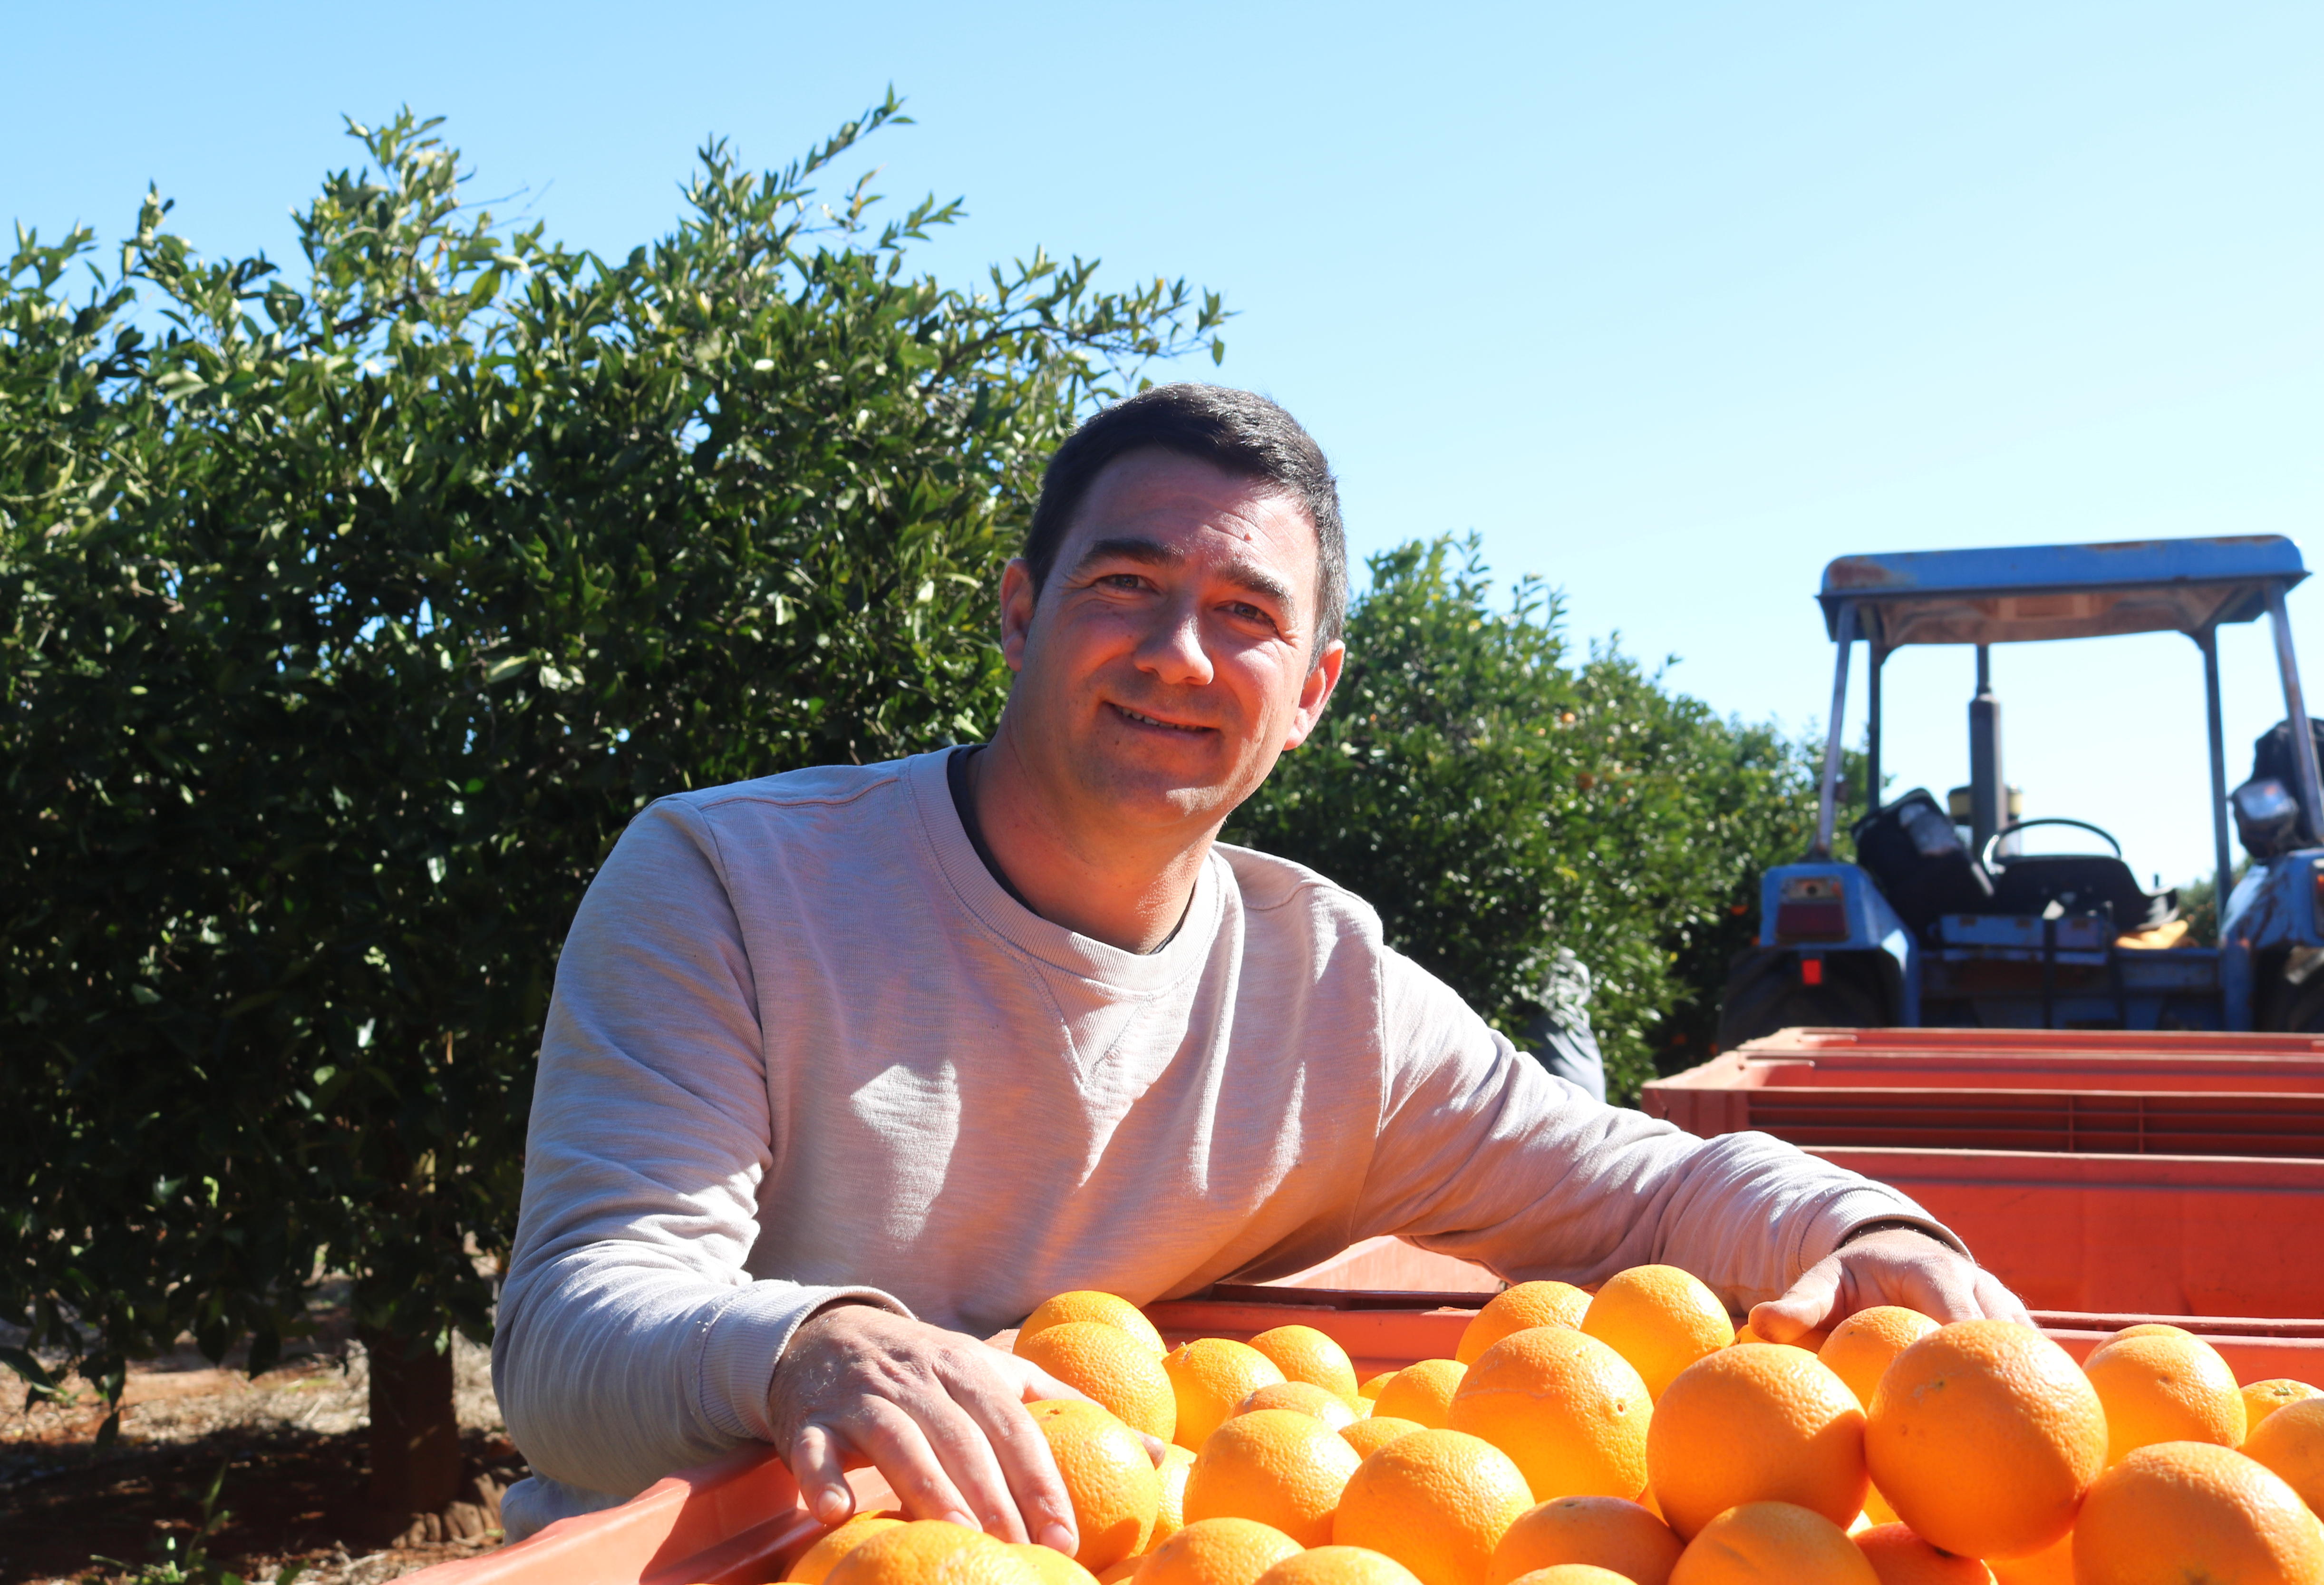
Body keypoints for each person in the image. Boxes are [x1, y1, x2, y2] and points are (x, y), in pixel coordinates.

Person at [491, 384, 2024, 1546]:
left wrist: (1870, 1224)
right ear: (1021, 610)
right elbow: (567, 1331)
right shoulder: (733, 886)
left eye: (1245, 617)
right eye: (1122, 586)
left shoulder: (1327, 995)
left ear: (1310, 695)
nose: (1178, 653)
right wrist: (810, 1347)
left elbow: (1637, 1186)